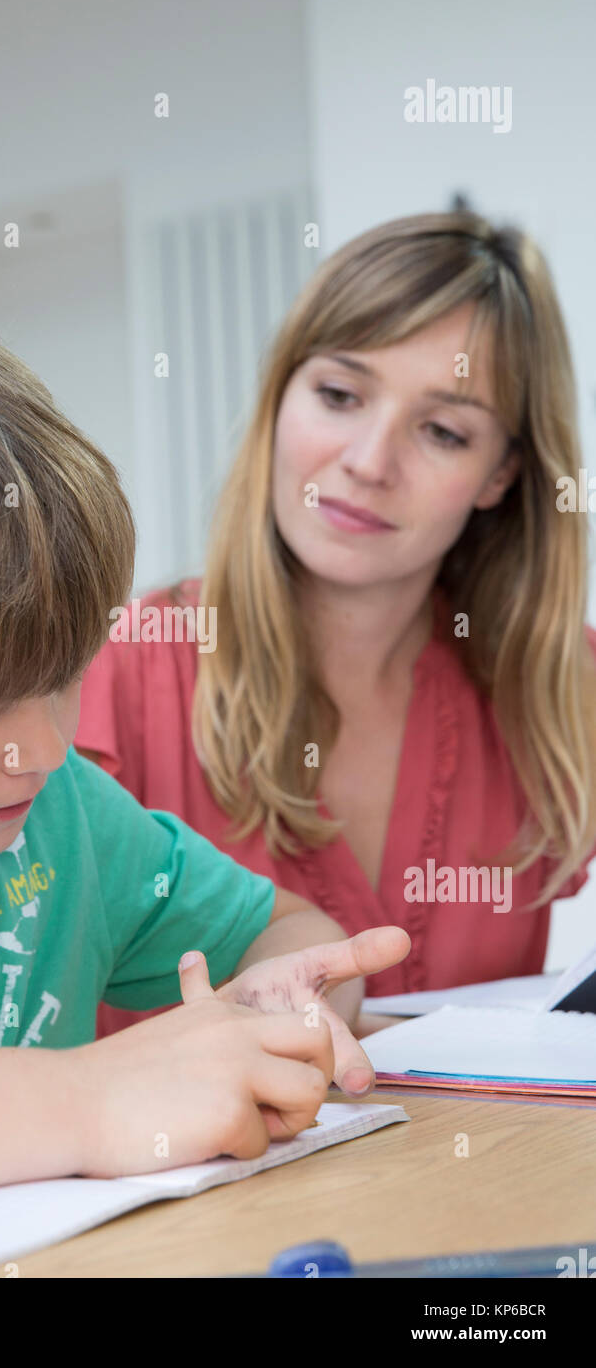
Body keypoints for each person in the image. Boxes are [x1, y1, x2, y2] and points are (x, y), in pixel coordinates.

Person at [0, 303, 410, 1231]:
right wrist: (84, 1100)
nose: (46, 751)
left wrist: (279, 1007)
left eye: (61, 681)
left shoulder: (63, 819)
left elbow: (283, 928)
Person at [76, 210, 596, 1041]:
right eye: (339, 394)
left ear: (501, 472)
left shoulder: (563, 687)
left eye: (442, 430)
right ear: (281, 396)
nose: (368, 462)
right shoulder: (113, 677)